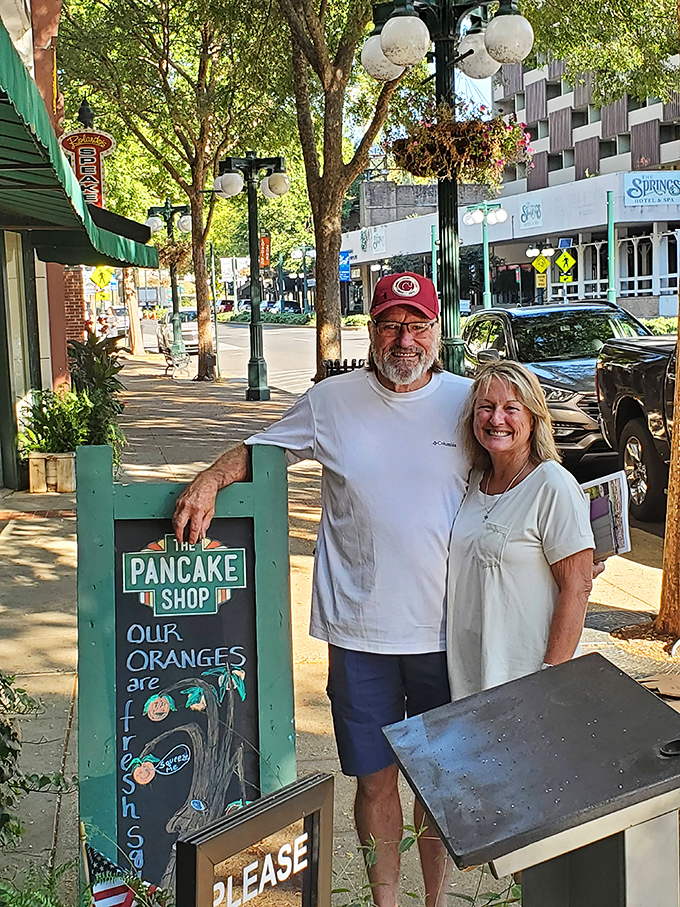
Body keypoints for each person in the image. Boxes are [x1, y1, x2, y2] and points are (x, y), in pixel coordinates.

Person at [173, 272, 472, 907]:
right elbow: (261, 450)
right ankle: (386, 900)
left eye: (417, 325)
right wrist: (209, 479)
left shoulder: (470, 402)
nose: (404, 339)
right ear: (372, 330)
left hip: (451, 631)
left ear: (436, 332)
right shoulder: (333, 401)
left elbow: (528, 473)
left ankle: (436, 901)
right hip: (358, 633)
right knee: (373, 781)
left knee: (440, 787)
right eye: (391, 324)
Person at [446, 360, 595, 701]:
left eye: (511, 408)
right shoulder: (474, 483)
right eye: (486, 408)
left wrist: (550, 677)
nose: (496, 419)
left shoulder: (551, 484)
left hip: (526, 682)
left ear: (533, 419)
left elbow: (578, 586)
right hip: (469, 677)